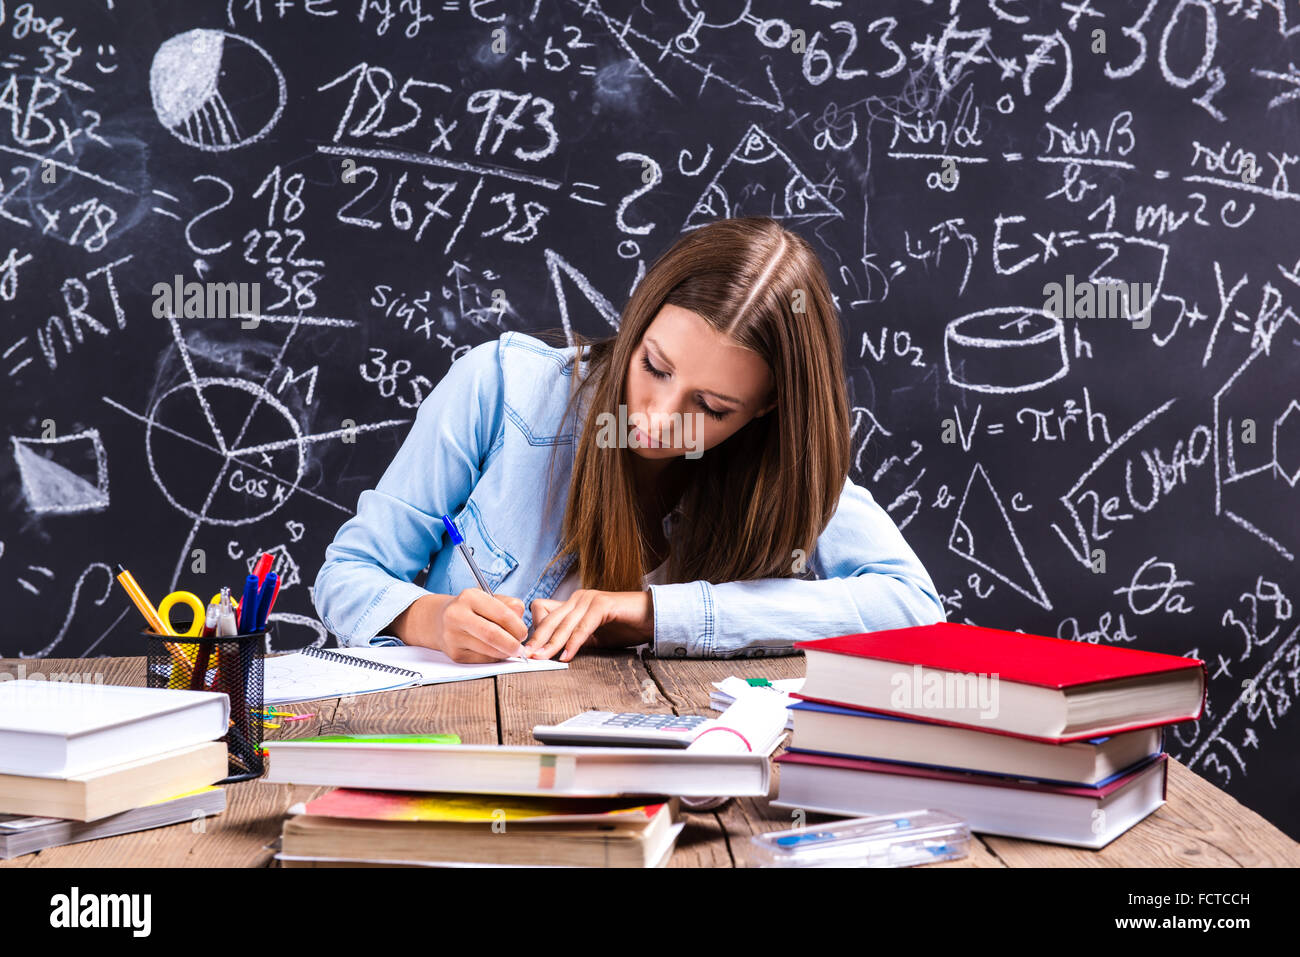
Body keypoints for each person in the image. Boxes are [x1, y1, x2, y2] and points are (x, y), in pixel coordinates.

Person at [313, 216, 944, 663]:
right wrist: (430, 619)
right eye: (655, 368)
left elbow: (913, 609)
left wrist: (653, 615)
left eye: (712, 406)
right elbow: (348, 574)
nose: (661, 418)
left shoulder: (784, 463)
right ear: (638, 323)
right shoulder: (503, 387)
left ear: (765, 409)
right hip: (473, 740)